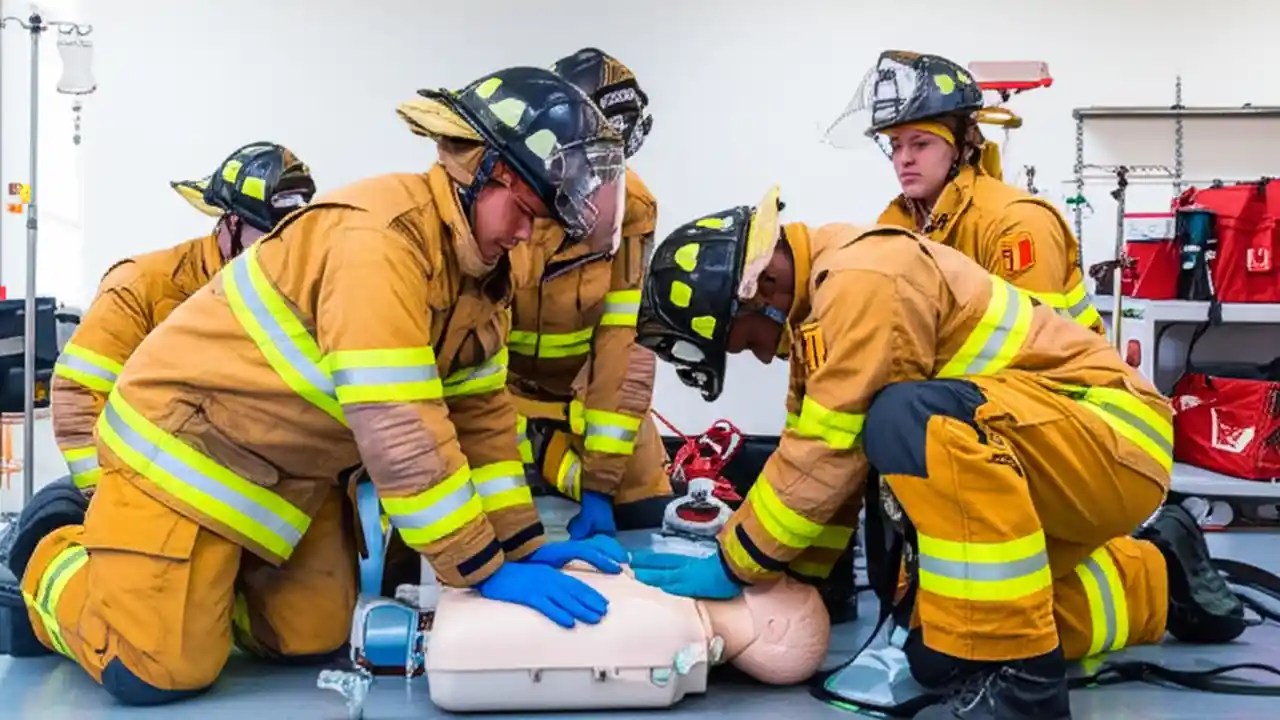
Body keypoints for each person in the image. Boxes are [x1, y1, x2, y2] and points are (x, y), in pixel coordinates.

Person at [1, 65, 631, 707]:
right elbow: (399, 426)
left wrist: (518, 543)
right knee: (155, 670)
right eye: (523, 211)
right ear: (481, 170)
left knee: (309, 637)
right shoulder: (379, 242)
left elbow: (482, 420)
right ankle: (51, 560)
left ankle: (195, 592)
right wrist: (477, 566)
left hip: (286, 476)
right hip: (188, 454)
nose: (526, 235)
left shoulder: (479, 275)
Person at [626, 192, 1246, 719]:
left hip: (1112, 436)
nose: (761, 354)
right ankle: (1159, 578)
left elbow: (828, 453)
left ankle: (1024, 679)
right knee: (938, 638)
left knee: (906, 418)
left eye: (744, 340)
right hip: (1047, 447)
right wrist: (801, 585)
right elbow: (813, 465)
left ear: (762, 288)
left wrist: (736, 563)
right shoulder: (817, 310)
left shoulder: (863, 279)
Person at [49, 143, 316, 496]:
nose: (278, 253)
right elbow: (79, 392)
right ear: (231, 222)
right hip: (148, 493)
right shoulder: (141, 285)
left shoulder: (284, 292)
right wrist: (104, 495)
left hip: (248, 492)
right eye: (268, 238)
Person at [506, 47, 671, 540]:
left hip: (588, 397)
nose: (599, 177)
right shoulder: (507, 196)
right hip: (502, 400)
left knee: (644, 510)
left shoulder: (633, 209)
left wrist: (599, 483)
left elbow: (623, 345)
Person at [824, 50, 1104, 335]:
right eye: (896, 145)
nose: (904, 159)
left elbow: (1038, 345)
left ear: (959, 146)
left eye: (920, 144)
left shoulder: (1016, 222)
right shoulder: (899, 226)